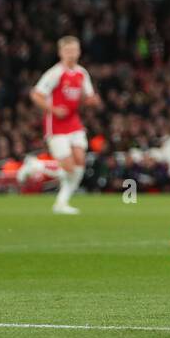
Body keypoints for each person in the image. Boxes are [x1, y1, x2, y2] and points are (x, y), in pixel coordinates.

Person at [27, 36, 102, 214]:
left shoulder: (82, 73)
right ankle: (36, 166)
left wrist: (92, 101)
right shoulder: (55, 73)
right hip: (56, 124)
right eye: (68, 50)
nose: (71, 54)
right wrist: (52, 109)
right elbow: (36, 94)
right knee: (68, 167)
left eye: (74, 50)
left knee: (80, 163)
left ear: (79, 51)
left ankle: (61, 203)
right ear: (61, 52)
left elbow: (86, 97)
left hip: (74, 122)